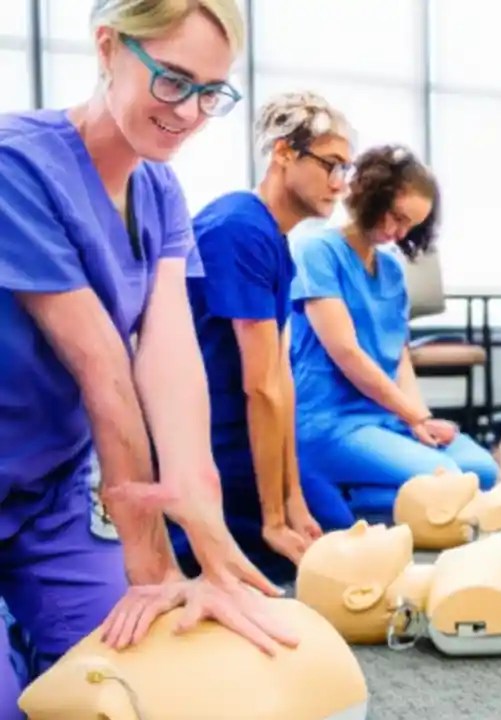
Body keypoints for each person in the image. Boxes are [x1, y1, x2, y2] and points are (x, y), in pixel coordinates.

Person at [0, 0, 293, 713]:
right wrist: (154, 560)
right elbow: (102, 365)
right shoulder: (16, 164)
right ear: (107, 47)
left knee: (139, 673)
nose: (190, 112)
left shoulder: (160, 188)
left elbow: (170, 363)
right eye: (174, 80)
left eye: (211, 92)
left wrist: (210, 535)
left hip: (50, 491)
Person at [176, 92, 355, 584]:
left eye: (347, 170)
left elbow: (279, 378)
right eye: (330, 165)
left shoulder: (275, 240)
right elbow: (260, 387)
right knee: (318, 552)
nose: (340, 185)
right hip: (201, 436)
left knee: (329, 525)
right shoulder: (237, 229)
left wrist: (293, 497)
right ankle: (181, 539)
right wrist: (272, 520)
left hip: (240, 423)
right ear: (282, 154)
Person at [290, 145, 500, 527]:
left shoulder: (390, 267)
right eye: (396, 216)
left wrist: (421, 421)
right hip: (328, 422)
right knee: (451, 482)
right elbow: (346, 352)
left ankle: (353, 493)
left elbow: (400, 355)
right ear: (370, 194)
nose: (398, 232)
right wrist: (412, 414)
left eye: (410, 226)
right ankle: (333, 493)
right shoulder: (316, 249)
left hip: (383, 417)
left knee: (481, 470)